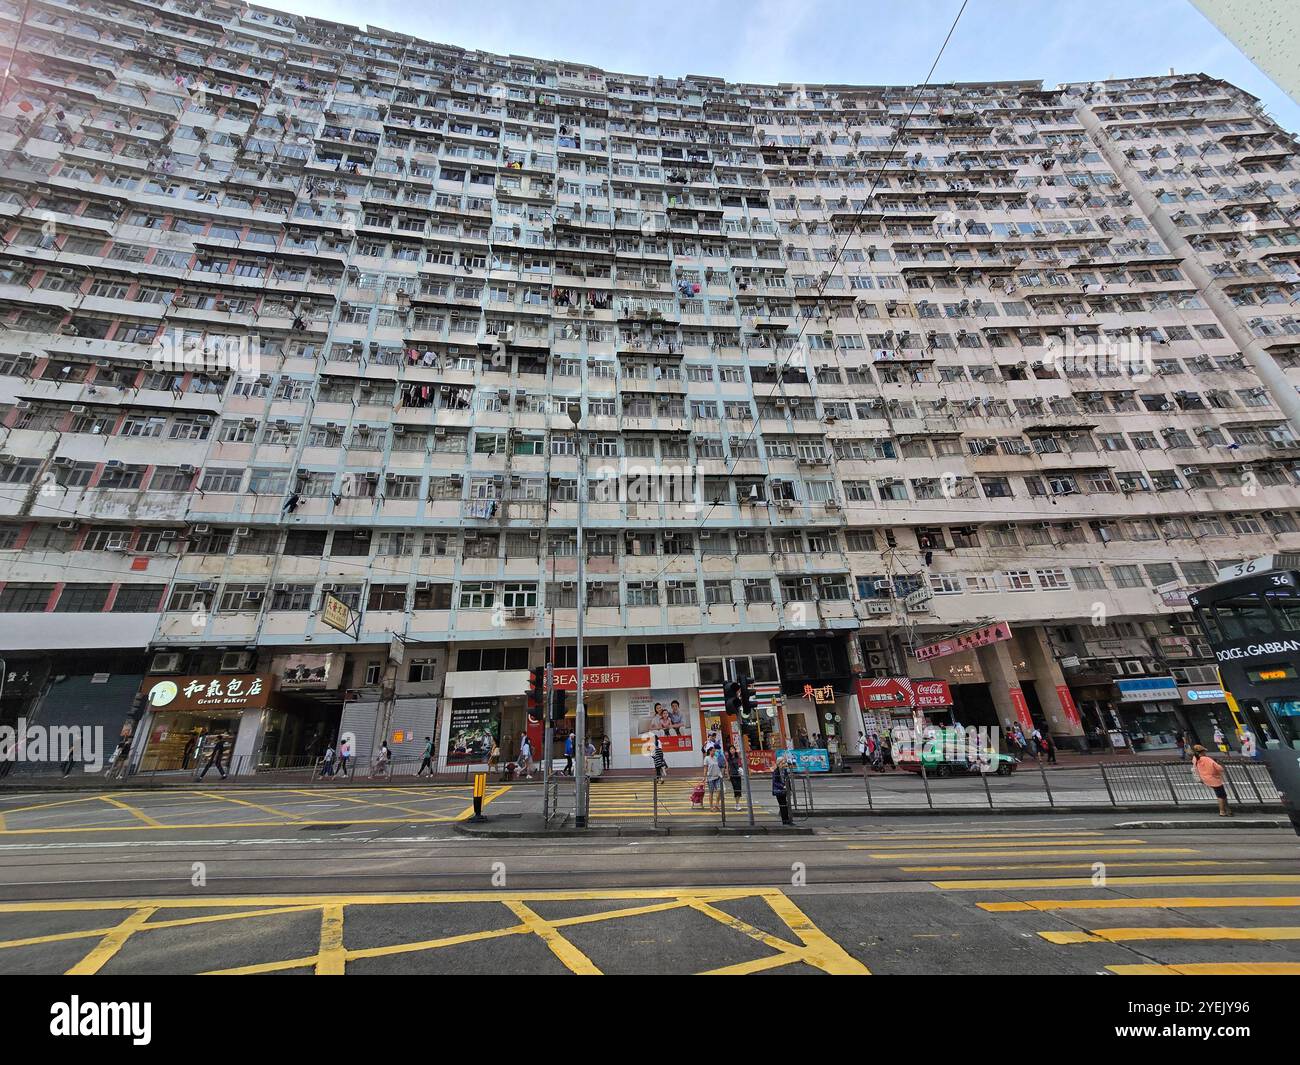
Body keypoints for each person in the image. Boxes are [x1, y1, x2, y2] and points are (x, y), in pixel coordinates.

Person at [1191, 744, 1232, 817]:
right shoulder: (1207, 759)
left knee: (1223, 795)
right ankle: (1222, 811)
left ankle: (1228, 809)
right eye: (1204, 751)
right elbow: (1219, 768)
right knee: (1221, 795)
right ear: (1202, 751)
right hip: (1214, 779)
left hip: (1205, 778)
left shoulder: (1195, 759)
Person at [772, 756, 793, 825]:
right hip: (778, 791)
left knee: (786, 805)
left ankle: (787, 820)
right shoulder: (776, 771)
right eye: (783, 763)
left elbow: (787, 780)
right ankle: (785, 820)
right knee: (782, 805)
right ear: (779, 763)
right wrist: (783, 786)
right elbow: (775, 782)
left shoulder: (784, 771)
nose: (784, 764)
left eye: (784, 763)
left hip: (784, 790)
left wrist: (789, 789)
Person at [703, 743, 724, 811]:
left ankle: (717, 804)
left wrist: (720, 774)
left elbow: (718, 766)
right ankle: (711, 807)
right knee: (711, 792)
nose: (714, 752)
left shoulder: (715, 758)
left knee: (719, 790)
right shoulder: (706, 758)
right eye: (713, 751)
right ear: (710, 751)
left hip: (717, 777)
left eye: (715, 751)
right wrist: (704, 777)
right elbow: (705, 768)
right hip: (710, 778)